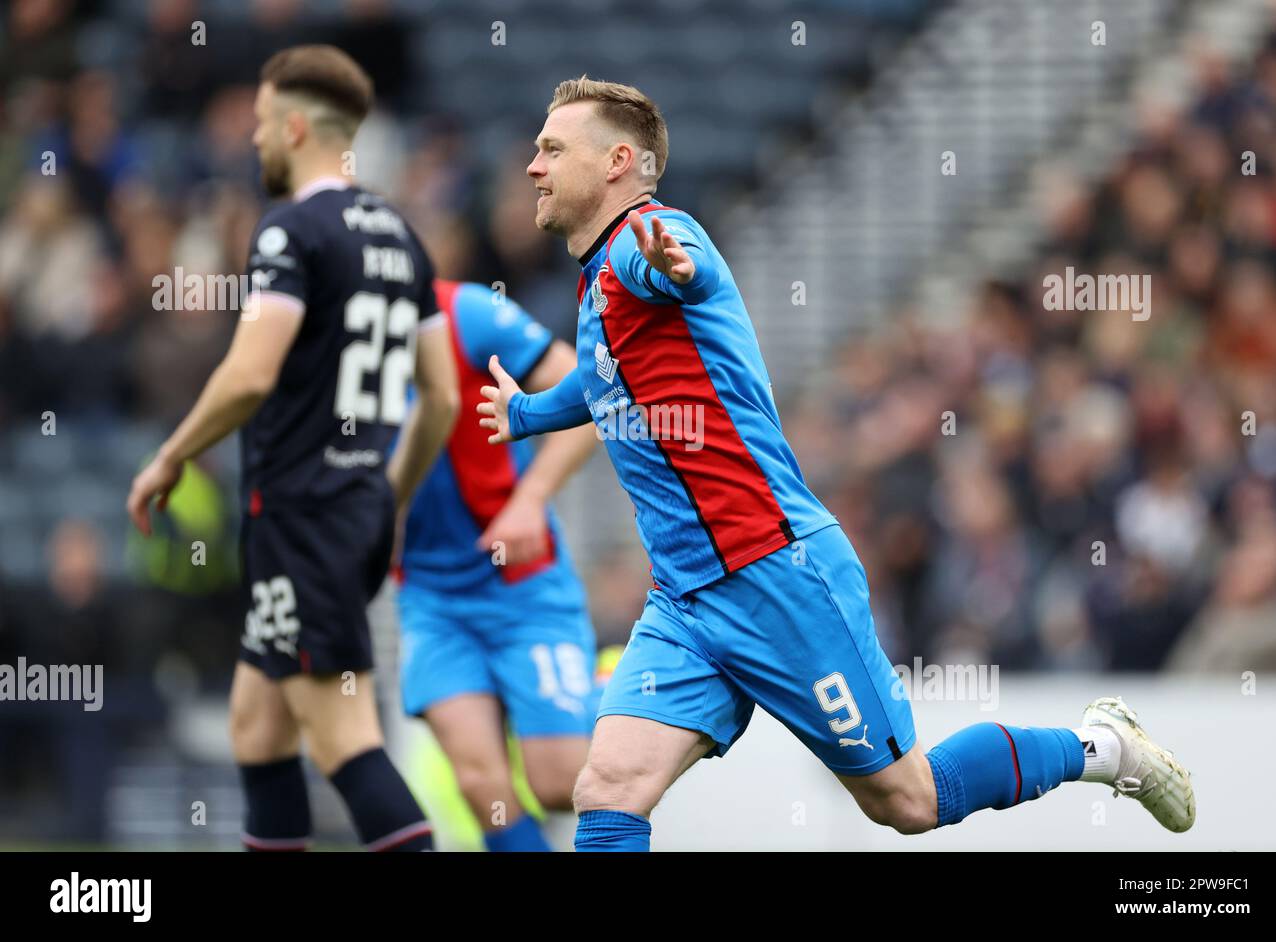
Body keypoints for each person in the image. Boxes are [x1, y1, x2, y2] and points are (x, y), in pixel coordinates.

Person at [477, 77, 1196, 851]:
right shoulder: (598, 288)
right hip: (684, 601)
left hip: (777, 578)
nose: (533, 167)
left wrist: (678, 268)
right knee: (608, 788)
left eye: (552, 149)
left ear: (619, 161)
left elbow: (687, 271)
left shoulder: (653, 240)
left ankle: (1104, 749)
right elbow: (604, 376)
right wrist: (529, 414)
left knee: (911, 801)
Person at [128, 45, 457, 852]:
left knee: (343, 738)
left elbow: (248, 375)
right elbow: (443, 397)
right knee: (257, 725)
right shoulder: (401, 238)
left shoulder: (292, 232)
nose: (253, 140)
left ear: (299, 126)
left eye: (263, 123)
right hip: (351, 509)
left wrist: (171, 455)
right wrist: (392, 492)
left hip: (302, 513)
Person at [396, 278, 598, 852]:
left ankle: (605, 681)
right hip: (430, 597)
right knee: (482, 785)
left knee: (560, 784)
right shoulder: (325, 346)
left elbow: (587, 396)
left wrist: (529, 500)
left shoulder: (470, 316)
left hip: (520, 582)